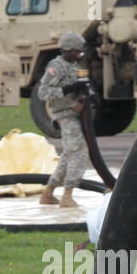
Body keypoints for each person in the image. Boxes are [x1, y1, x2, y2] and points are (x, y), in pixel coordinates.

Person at [38, 32, 90, 208]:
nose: (79, 55)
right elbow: (43, 92)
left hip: (75, 114)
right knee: (79, 152)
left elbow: (82, 86)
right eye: (76, 51)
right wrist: (68, 89)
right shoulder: (56, 67)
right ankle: (67, 194)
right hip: (64, 115)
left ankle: (49, 192)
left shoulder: (74, 66)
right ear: (67, 50)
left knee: (69, 153)